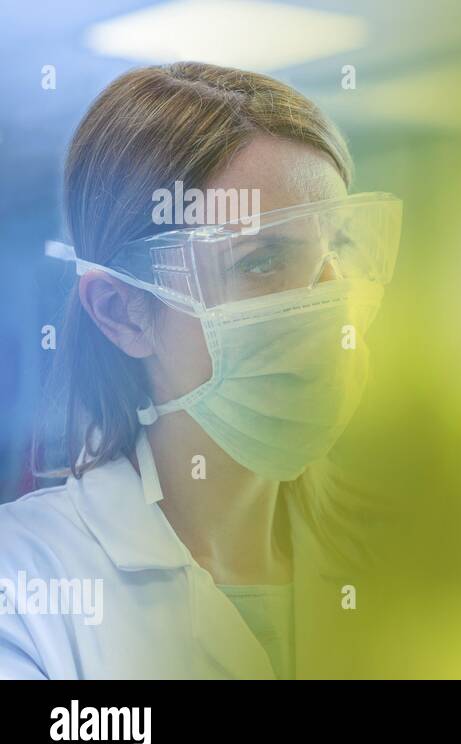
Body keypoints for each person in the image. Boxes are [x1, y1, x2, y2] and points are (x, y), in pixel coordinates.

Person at [0, 62, 400, 679]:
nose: (330, 300)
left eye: (338, 250)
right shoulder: (26, 589)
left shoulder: (406, 563)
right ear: (122, 313)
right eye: (262, 258)